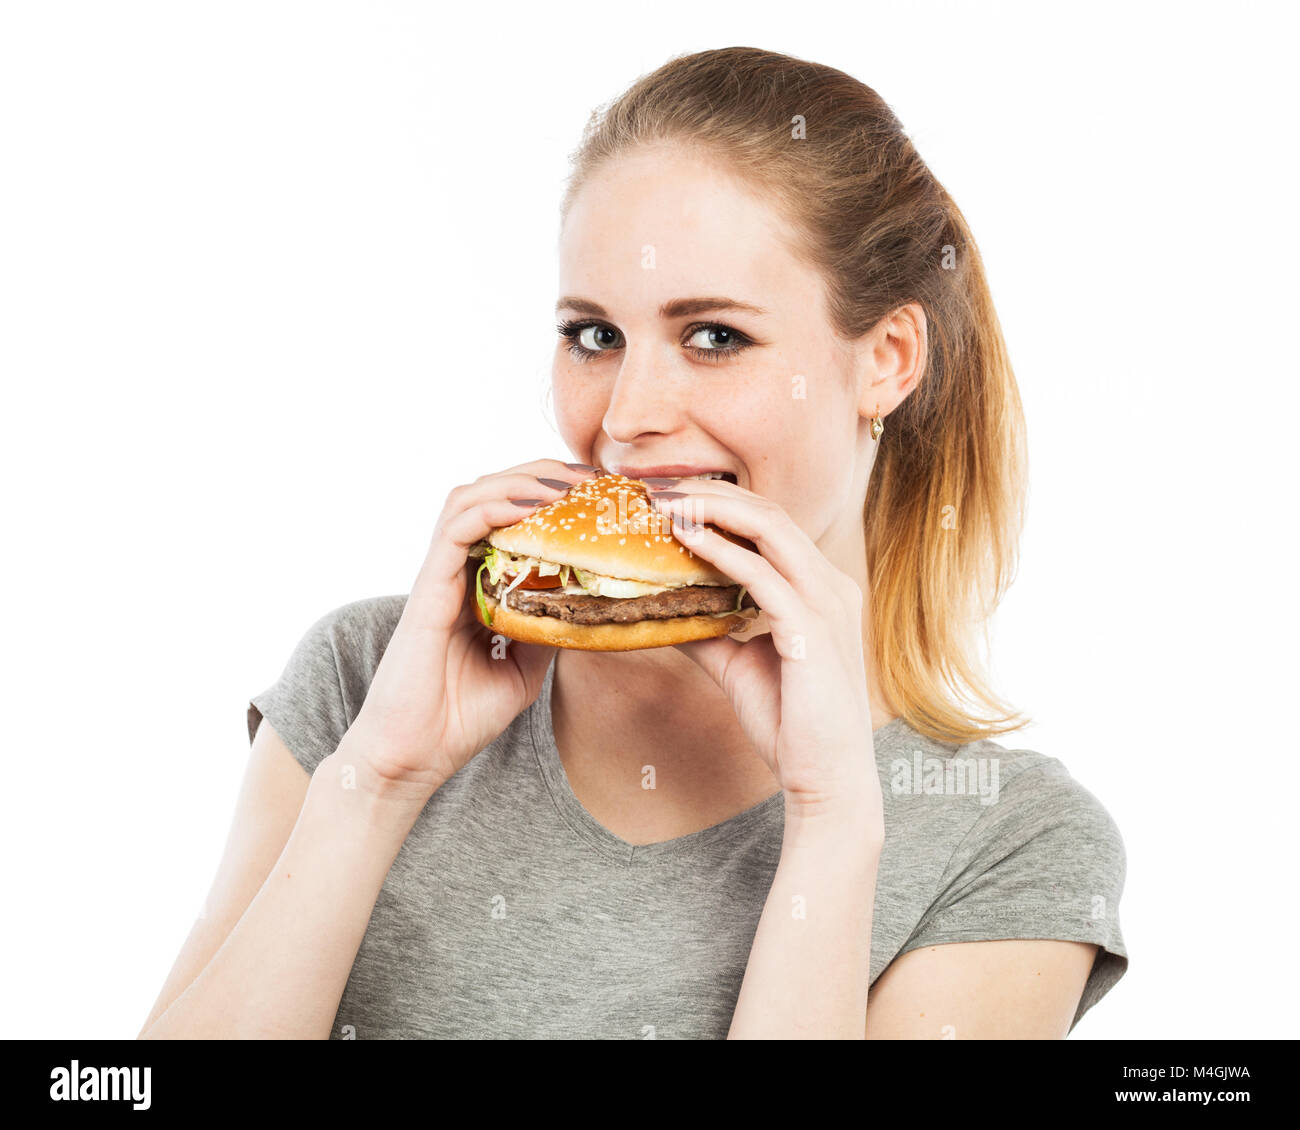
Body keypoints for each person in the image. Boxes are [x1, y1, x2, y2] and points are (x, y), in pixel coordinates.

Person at [139, 46, 1126, 1040]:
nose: (627, 418)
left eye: (714, 337)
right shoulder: (368, 677)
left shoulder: (1006, 840)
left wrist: (830, 824)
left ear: (887, 360)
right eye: (595, 336)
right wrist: (380, 778)